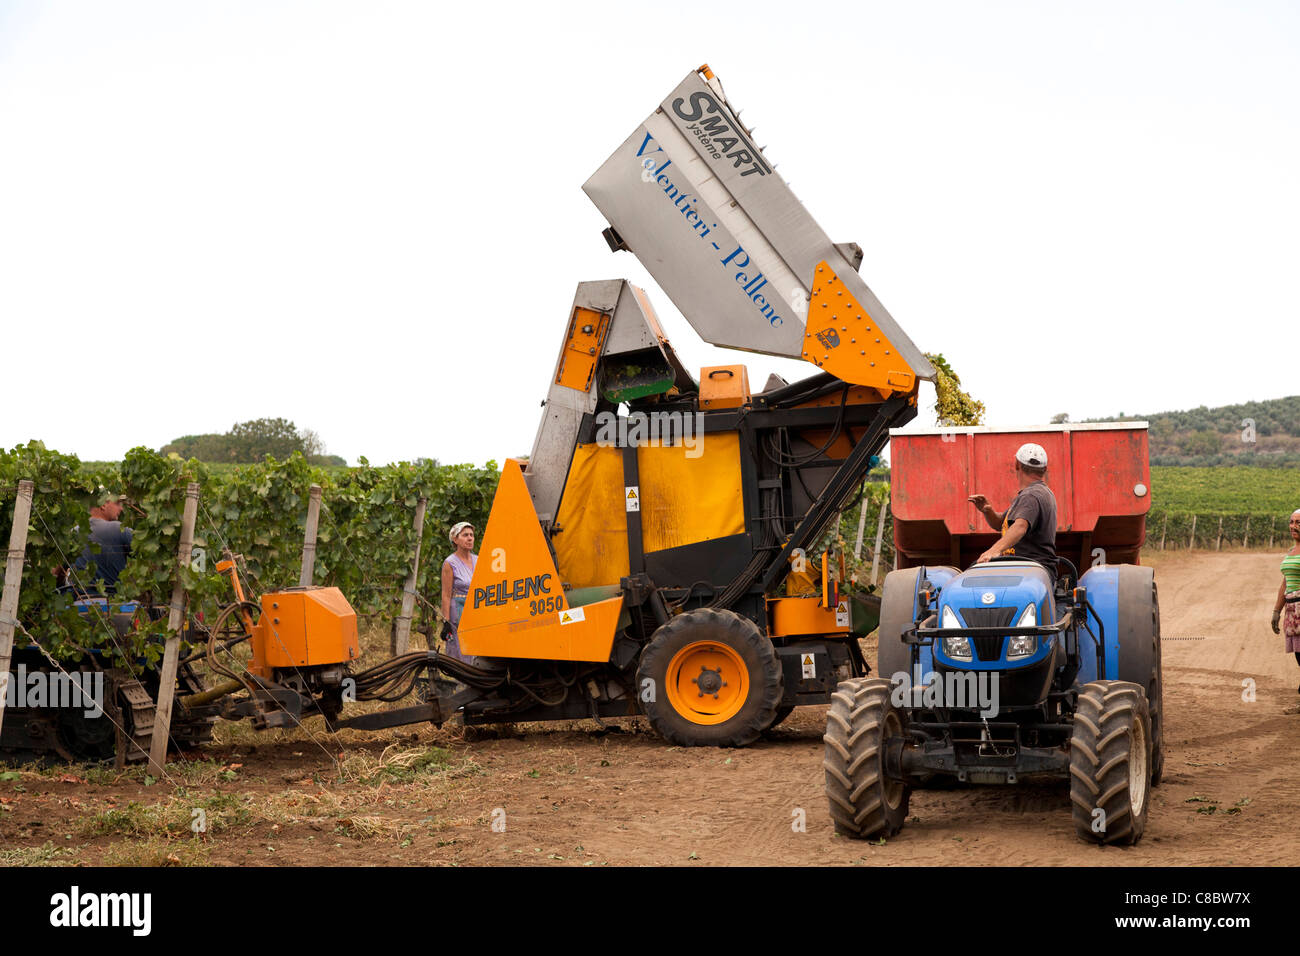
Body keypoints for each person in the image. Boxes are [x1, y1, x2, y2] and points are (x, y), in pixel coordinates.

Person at [967, 443, 1058, 574]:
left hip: (1029, 571)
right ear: (1044, 469)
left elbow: (1020, 526)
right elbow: (1001, 524)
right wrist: (988, 511)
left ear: (1017, 464)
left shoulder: (1031, 495)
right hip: (1029, 571)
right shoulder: (1037, 493)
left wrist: (993, 551)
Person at [72, 492, 134, 593]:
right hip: (113, 604)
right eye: (117, 503)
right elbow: (146, 550)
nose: (121, 508)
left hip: (79, 603)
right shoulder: (120, 529)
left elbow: (57, 572)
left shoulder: (73, 533)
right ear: (103, 505)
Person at [1270, 508, 1300, 695]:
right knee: (1299, 655)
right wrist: (1276, 611)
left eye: (1298, 523)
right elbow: (1285, 583)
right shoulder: (1291, 551)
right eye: (1291, 522)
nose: (1293, 526)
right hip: (1292, 609)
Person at [439, 521, 478, 663]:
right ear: (455, 539)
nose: (470, 538)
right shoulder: (450, 563)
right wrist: (446, 621)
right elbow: (446, 594)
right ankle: (461, 683)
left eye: (472, 535)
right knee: (460, 649)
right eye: (465, 535)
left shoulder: (478, 560)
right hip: (459, 611)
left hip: (476, 609)